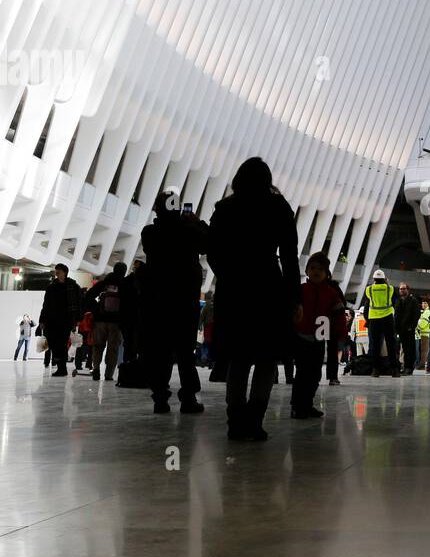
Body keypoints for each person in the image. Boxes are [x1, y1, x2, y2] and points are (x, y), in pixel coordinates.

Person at [208, 157, 300, 441]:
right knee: (266, 358)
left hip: (234, 290)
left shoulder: (225, 209)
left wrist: (227, 275)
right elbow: (289, 256)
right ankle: (255, 420)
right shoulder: (278, 208)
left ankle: (235, 420)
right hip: (268, 287)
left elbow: (213, 253)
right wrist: (294, 296)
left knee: (238, 358)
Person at [140, 191, 210, 412]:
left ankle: (160, 397)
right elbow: (208, 244)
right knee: (185, 351)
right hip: (184, 300)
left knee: (160, 351)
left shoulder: (150, 233)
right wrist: (197, 222)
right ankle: (188, 398)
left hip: (159, 301)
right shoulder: (188, 231)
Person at [292, 252, 346, 418]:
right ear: (307, 271)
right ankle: (297, 406)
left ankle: (307, 404)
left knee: (315, 373)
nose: (316, 272)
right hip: (301, 337)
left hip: (319, 337)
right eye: (313, 268)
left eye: (321, 269)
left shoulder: (331, 293)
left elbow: (338, 315)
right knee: (302, 373)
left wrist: (341, 333)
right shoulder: (300, 290)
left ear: (326, 273)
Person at [39, 264, 82, 377]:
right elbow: (46, 305)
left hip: (66, 320)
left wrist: (77, 319)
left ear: (64, 272)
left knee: (62, 344)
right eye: (56, 271)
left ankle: (62, 368)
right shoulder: (51, 287)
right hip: (52, 320)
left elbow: (79, 304)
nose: (56, 273)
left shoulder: (73, 286)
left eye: (59, 271)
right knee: (54, 344)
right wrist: (42, 320)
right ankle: (60, 367)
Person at [86, 262, 127, 381]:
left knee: (98, 346)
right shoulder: (124, 284)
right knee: (113, 348)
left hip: (100, 321)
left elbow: (89, 296)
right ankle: (108, 374)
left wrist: (96, 309)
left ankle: (96, 368)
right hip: (116, 322)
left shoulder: (104, 283)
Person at [360, 269, 400, 377]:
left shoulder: (369, 289)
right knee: (391, 344)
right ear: (384, 279)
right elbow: (396, 301)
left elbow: (367, 304)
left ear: (374, 279)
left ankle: (375, 370)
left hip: (374, 319)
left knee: (375, 345)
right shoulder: (389, 288)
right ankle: (394, 370)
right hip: (387, 318)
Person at [393, 282, 421, 375]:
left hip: (409, 329)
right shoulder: (398, 301)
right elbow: (396, 315)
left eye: (404, 288)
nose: (402, 290)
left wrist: (411, 326)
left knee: (410, 349)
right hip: (400, 330)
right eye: (400, 289)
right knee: (404, 349)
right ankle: (405, 367)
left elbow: (416, 314)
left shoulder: (413, 301)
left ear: (408, 290)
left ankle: (409, 368)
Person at [416, 300, 430, 373]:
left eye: (425, 303)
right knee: (429, 350)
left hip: (425, 333)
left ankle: (422, 366)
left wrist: (418, 327)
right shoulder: (427, 311)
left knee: (424, 351)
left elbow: (423, 323)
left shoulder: (427, 312)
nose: (423, 304)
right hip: (427, 333)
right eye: (422, 303)